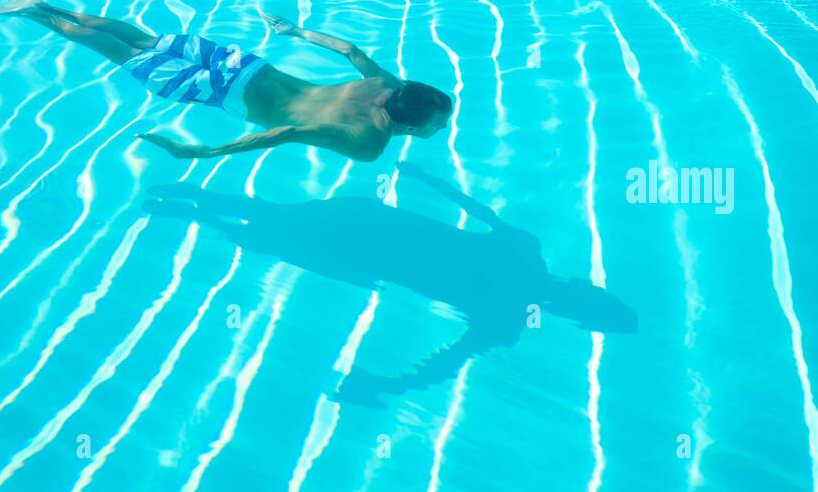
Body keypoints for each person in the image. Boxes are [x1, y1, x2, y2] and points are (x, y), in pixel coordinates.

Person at [147, 162, 638, 406]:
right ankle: (196, 213)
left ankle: (195, 200)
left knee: (273, 219)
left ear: (583, 284)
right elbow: (442, 364)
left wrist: (423, 176)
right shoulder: (505, 320)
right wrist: (385, 384)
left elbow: (472, 206)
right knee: (267, 237)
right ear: (571, 317)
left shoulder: (525, 251)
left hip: (372, 224)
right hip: (362, 256)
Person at [0, 2, 452, 163]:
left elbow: (350, 50)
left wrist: (293, 31)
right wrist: (205, 153)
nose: (439, 128)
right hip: (224, 93)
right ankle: (36, 15)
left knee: (142, 37)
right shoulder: (369, 141)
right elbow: (285, 133)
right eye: (437, 123)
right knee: (123, 52)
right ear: (411, 121)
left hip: (247, 65)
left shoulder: (387, 83)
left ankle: (48, 4)